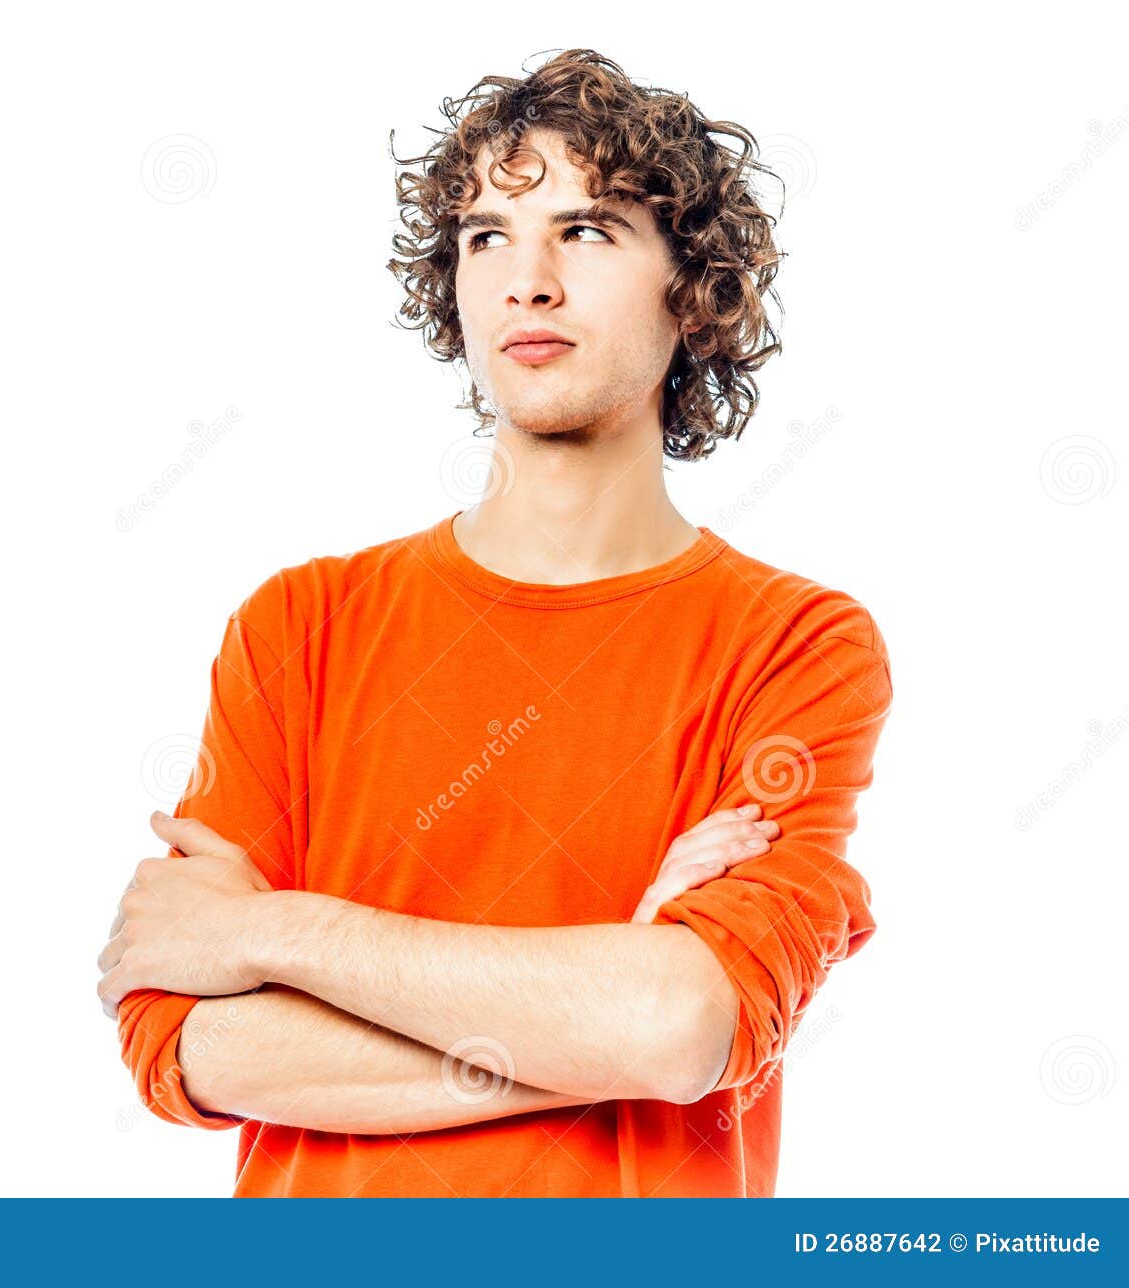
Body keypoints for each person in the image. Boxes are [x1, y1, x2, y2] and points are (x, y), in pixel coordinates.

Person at [97, 48, 892, 1197]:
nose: (526, 280)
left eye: (586, 231)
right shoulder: (301, 626)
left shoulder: (796, 645)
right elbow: (188, 1046)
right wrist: (600, 1008)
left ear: (693, 287)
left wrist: (272, 936)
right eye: (486, 236)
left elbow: (678, 1027)